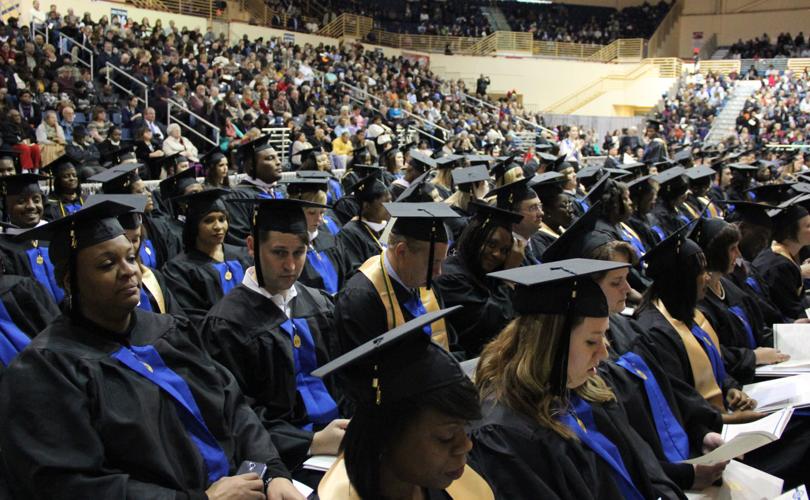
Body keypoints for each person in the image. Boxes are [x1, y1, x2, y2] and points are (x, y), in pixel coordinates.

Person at [0, 201, 303, 499]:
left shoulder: (169, 331)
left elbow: (232, 405)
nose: (129, 271)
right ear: (69, 281)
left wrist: (273, 471)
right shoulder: (48, 369)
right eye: (107, 264)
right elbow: (71, 483)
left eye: (131, 258)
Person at [471, 259, 684, 499]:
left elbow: (644, 469)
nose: (604, 354)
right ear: (549, 345)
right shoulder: (505, 432)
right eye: (592, 341)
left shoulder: (583, 390)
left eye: (605, 337)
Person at [202, 198, 348, 472]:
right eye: (279, 253)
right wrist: (311, 441)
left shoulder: (318, 303)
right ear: (251, 246)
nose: (291, 266)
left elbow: (342, 380)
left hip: (341, 439)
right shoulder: (226, 324)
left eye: (299, 252)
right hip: (280, 458)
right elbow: (236, 413)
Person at [589, 242, 728, 492]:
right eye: (616, 282)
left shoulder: (628, 329)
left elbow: (669, 389)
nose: (629, 289)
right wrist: (683, 474)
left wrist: (701, 433)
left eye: (627, 278)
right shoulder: (585, 363)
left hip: (683, 465)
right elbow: (621, 444)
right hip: (657, 481)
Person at [313, 309, 493, 499]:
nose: (466, 445)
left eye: (465, 429)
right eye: (446, 437)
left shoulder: (460, 488)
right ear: (383, 436)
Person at [335, 201, 459, 353]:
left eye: (442, 262)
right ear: (401, 251)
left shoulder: (425, 282)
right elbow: (362, 371)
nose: (439, 272)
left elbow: (449, 343)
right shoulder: (359, 299)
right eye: (433, 262)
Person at [692, 217, 786, 384]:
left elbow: (758, 329)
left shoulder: (728, 286)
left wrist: (788, 337)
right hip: (740, 381)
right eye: (732, 249)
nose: (739, 254)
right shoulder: (698, 301)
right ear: (716, 252)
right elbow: (713, 353)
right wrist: (753, 357)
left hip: (763, 369)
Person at [433, 202, 521, 357]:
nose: (497, 255)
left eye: (505, 251)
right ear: (475, 239)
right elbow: (495, 324)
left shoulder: (485, 274)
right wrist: (508, 277)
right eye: (491, 244)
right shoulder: (451, 278)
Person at [163, 189, 252, 325]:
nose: (218, 227)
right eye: (208, 221)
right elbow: (191, 317)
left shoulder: (243, 256)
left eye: (222, 219)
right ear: (194, 225)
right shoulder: (179, 270)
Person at [0, 174, 64, 304]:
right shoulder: (4, 247)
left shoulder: (55, 234)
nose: (31, 206)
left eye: (36, 200)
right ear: (7, 207)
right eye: (21, 201)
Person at [752, 198, 810, 321]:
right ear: (789, 232)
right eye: (808, 226)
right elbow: (792, 312)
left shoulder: (782, 254)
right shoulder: (778, 266)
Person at [284, 175, 342, 294]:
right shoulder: (288, 247)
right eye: (312, 212)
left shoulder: (329, 240)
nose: (319, 219)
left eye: (322, 213)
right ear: (295, 211)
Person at [226, 135, 287, 245]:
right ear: (251, 166)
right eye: (270, 158)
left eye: (277, 157)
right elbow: (239, 239)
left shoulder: (280, 191)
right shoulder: (238, 196)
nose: (278, 162)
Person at [334, 174, 391, 278]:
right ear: (366, 206)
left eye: (390, 200)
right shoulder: (349, 233)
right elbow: (355, 272)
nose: (390, 206)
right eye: (385, 202)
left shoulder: (388, 226)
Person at [444, 165, 490, 243]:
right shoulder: (450, 213)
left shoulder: (469, 207)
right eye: (484, 186)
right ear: (473, 192)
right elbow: (471, 230)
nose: (487, 189)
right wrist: (481, 201)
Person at [649, 166, 691, 240]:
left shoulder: (672, 206)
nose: (685, 199)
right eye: (682, 196)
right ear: (674, 196)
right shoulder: (661, 214)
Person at [42, 154, 84, 220]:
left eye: (74, 175)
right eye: (66, 176)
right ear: (58, 181)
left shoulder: (85, 199)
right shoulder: (50, 204)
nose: (72, 178)